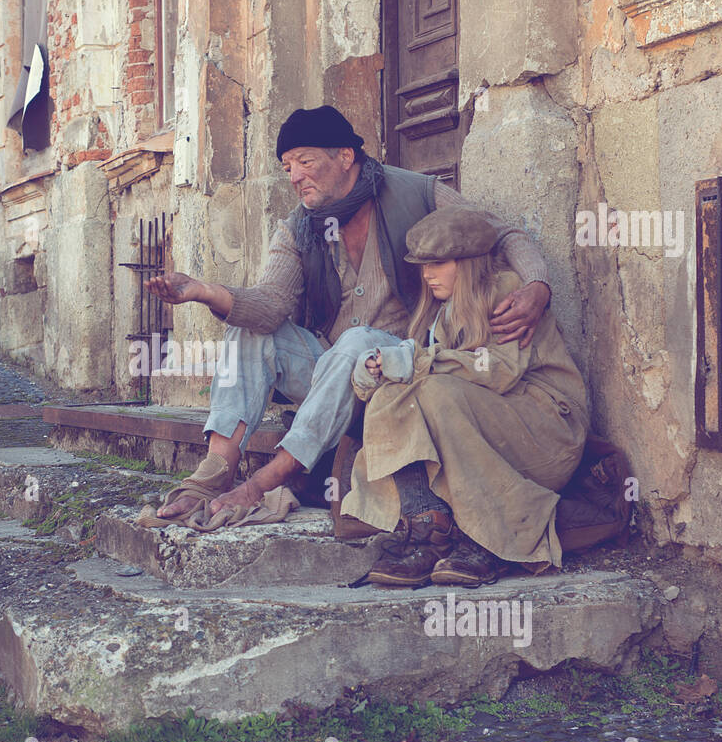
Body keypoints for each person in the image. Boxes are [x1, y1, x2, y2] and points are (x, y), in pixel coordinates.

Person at [142, 104, 553, 528]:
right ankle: (213, 475)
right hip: (330, 375)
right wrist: (204, 291)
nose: (295, 176)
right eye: (287, 167)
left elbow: (501, 232)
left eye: (305, 162)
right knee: (249, 332)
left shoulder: (416, 194)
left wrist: (537, 285)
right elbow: (269, 305)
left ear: (344, 156)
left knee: (357, 343)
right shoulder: (298, 227)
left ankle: (267, 481)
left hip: (399, 372)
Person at [344, 206, 589, 588]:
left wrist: (416, 361)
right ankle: (428, 527)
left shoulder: (505, 290)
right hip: (496, 425)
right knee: (392, 396)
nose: (427, 274)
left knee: (434, 391)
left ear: (469, 262)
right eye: (423, 265)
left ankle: (487, 539)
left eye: (438, 263)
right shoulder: (441, 310)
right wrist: (373, 373)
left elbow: (499, 370)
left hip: (549, 428)